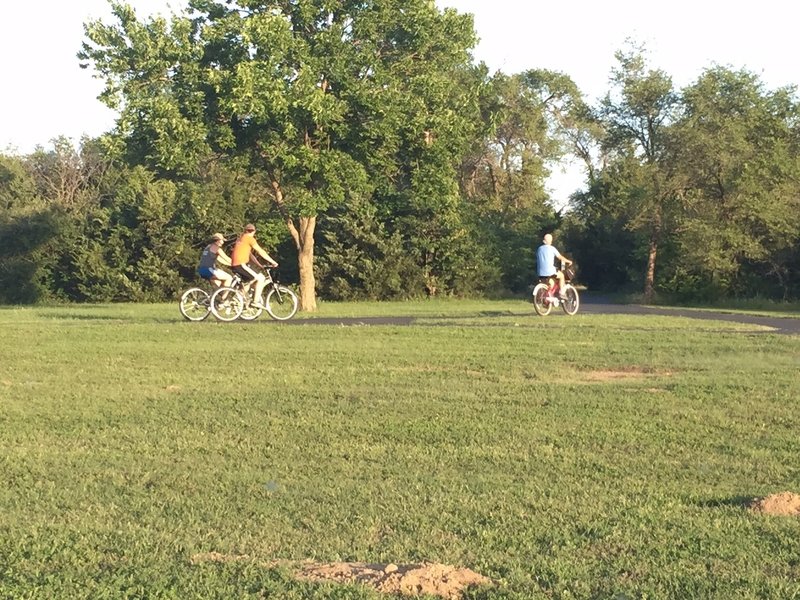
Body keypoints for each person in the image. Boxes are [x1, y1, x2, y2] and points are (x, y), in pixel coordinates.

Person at [230, 223, 278, 308]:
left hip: (236, 265)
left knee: (254, 279)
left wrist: (259, 265)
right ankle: (254, 301)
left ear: (245, 230)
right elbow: (260, 251)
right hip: (241, 264)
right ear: (254, 231)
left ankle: (244, 298)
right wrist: (273, 262)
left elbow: (250, 255)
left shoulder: (241, 238)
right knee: (260, 278)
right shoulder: (249, 239)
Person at [536, 233, 573, 299]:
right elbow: (560, 257)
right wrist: (568, 261)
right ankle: (562, 293)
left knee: (551, 283)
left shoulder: (539, 249)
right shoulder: (552, 248)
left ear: (544, 241)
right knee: (561, 276)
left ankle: (548, 296)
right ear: (551, 241)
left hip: (540, 272)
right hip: (550, 271)